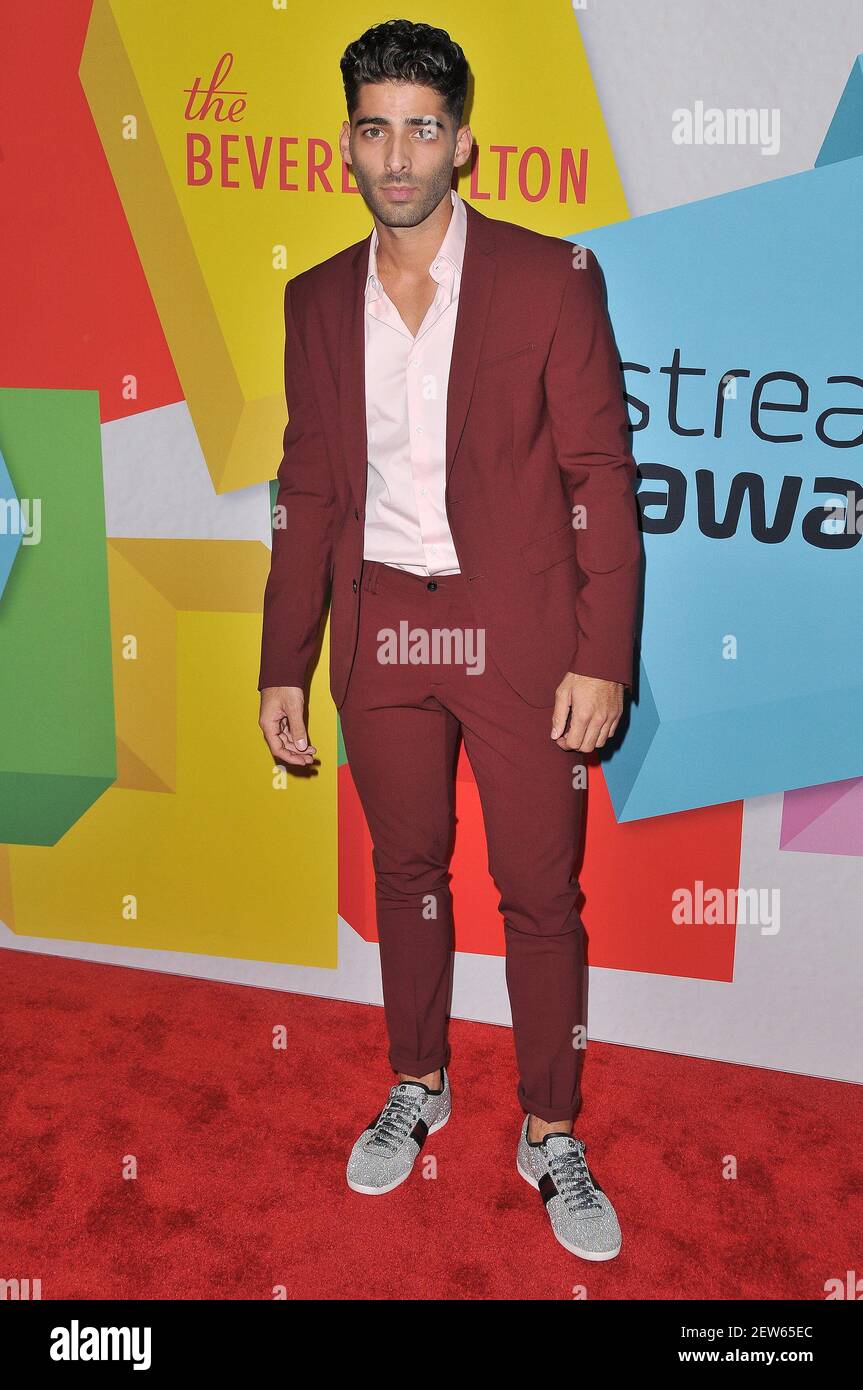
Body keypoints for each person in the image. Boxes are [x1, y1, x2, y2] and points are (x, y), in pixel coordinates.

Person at [258, 18, 641, 1261]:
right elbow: (307, 489)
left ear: (461, 140)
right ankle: (417, 1082)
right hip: (381, 626)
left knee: (540, 893)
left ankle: (548, 1127)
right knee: (406, 873)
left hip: (519, 631)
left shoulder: (550, 278)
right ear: (347, 148)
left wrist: (604, 652)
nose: (399, 151)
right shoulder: (313, 303)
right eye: (375, 127)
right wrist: (284, 661)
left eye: (423, 126)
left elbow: (600, 473)